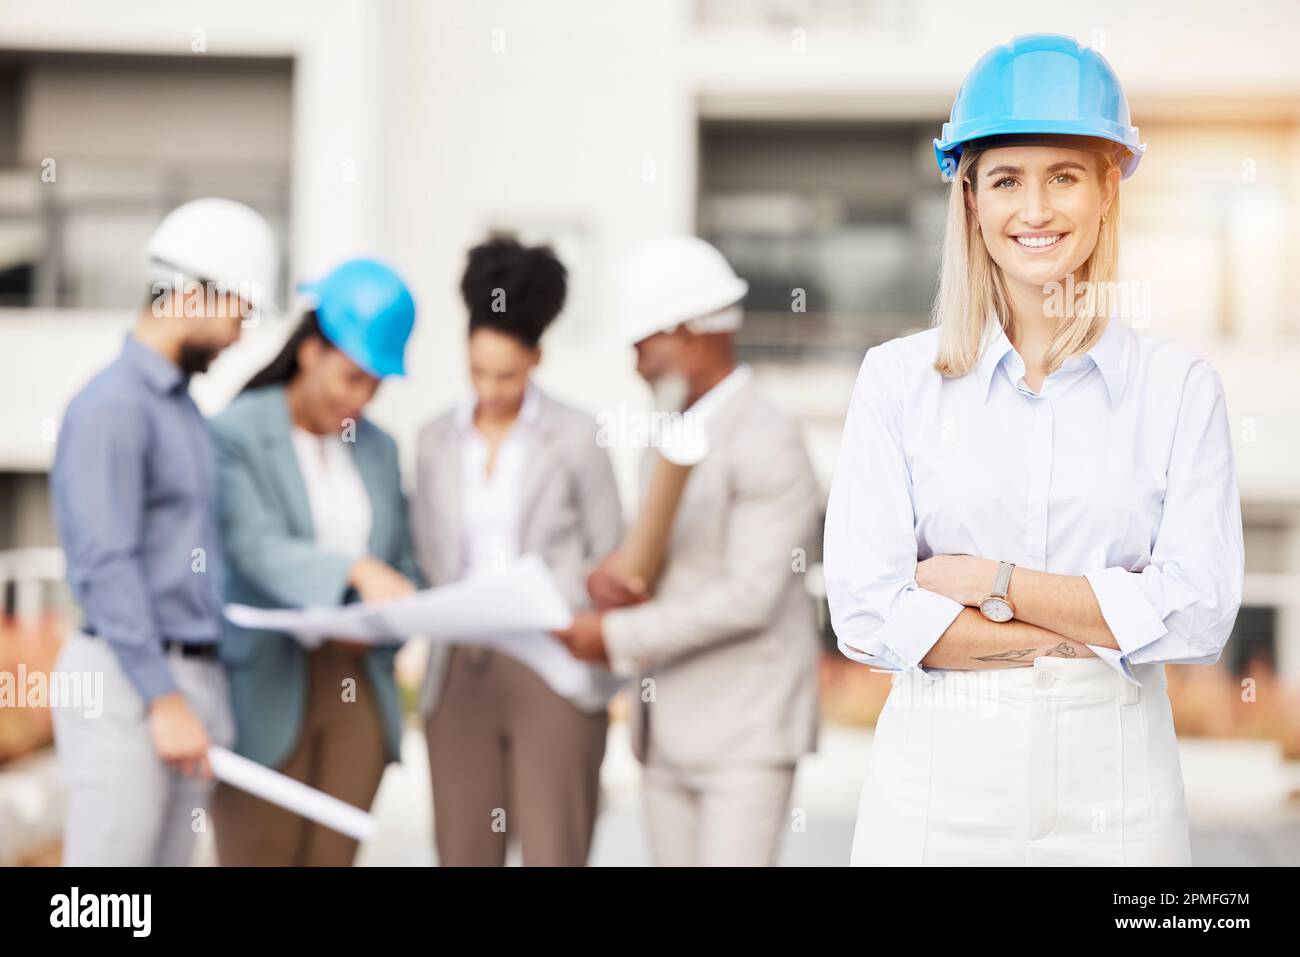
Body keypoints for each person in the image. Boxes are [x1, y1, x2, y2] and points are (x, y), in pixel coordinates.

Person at [823, 33, 1245, 866]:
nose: (1037, 209)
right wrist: (1103, 620)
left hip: (1118, 803)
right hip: (933, 799)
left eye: (1064, 175)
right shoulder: (896, 380)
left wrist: (991, 582)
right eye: (1008, 179)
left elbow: (1198, 612)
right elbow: (867, 612)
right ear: (971, 199)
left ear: (1107, 192)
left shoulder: (1179, 387)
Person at [557, 236, 821, 867]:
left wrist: (615, 635)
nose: (637, 366)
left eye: (644, 345)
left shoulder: (770, 441)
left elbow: (750, 597)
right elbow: (660, 559)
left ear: (691, 333)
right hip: (667, 727)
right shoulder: (669, 429)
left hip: (745, 734)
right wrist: (614, 579)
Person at [50, 197, 280, 865]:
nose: (241, 333)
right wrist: (163, 696)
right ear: (194, 293)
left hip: (181, 684)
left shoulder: (182, 411)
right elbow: (104, 563)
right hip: (132, 681)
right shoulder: (112, 406)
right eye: (239, 311)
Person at [412, 236, 622, 866]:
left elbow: (609, 554)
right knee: (463, 851)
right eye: (477, 371)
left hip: (552, 665)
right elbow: (427, 555)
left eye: (506, 374)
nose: (491, 389)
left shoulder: (578, 436)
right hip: (461, 669)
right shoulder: (432, 442)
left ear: (537, 357)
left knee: (555, 849)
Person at [208, 258, 422, 866]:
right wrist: (355, 573)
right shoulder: (234, 433)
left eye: (375, 385)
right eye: (352, 377)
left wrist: (396, 609)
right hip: (266, 687)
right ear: (310, 351)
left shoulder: (378, 448)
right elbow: (254, 547)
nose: (361, 399)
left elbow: (403, 561)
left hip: (358, 688)